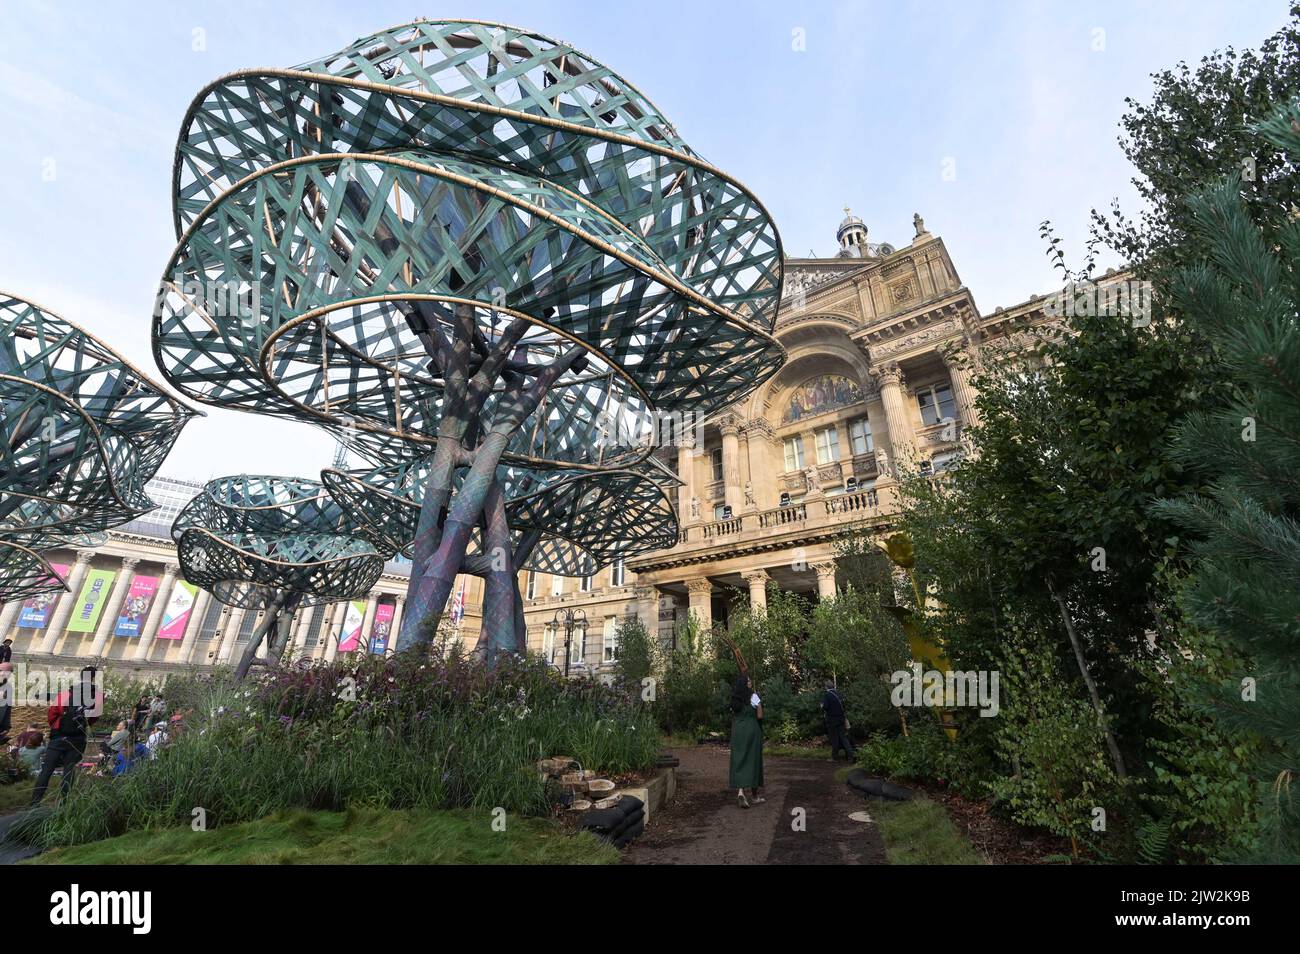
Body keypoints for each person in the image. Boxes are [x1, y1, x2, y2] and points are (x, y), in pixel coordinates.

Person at [30, 667, 102, 807]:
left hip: (59, 735)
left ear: (81, 676)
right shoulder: (97, 696)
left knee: (47, 769)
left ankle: (35, 802)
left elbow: (52, 714)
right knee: (69, 770)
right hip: (78, 736)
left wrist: (59, 725)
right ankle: (64, 803)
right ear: (94, 678)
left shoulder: (65, 693)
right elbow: (94, 717)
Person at [728, 670, 765, 808]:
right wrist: (758, 705)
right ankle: (754, 796)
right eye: (749, 681)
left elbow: (733, 713)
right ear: (745, 684)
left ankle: (741, 791)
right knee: (753, 760)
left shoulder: (734, 698)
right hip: (751, 729)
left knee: (740, 759)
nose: (750, 683)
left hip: (738, 730)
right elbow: (760, 715)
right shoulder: (753, 696)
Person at [822, 679, 855, 761]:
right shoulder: (839, 694)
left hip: (832, 720)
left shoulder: (827, 695)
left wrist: (821, 706)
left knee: (834, 738)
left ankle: (835, 757)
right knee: (843, 737)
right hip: (841, 719)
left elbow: (824, 707)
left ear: (826, 687)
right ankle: (851, 755)